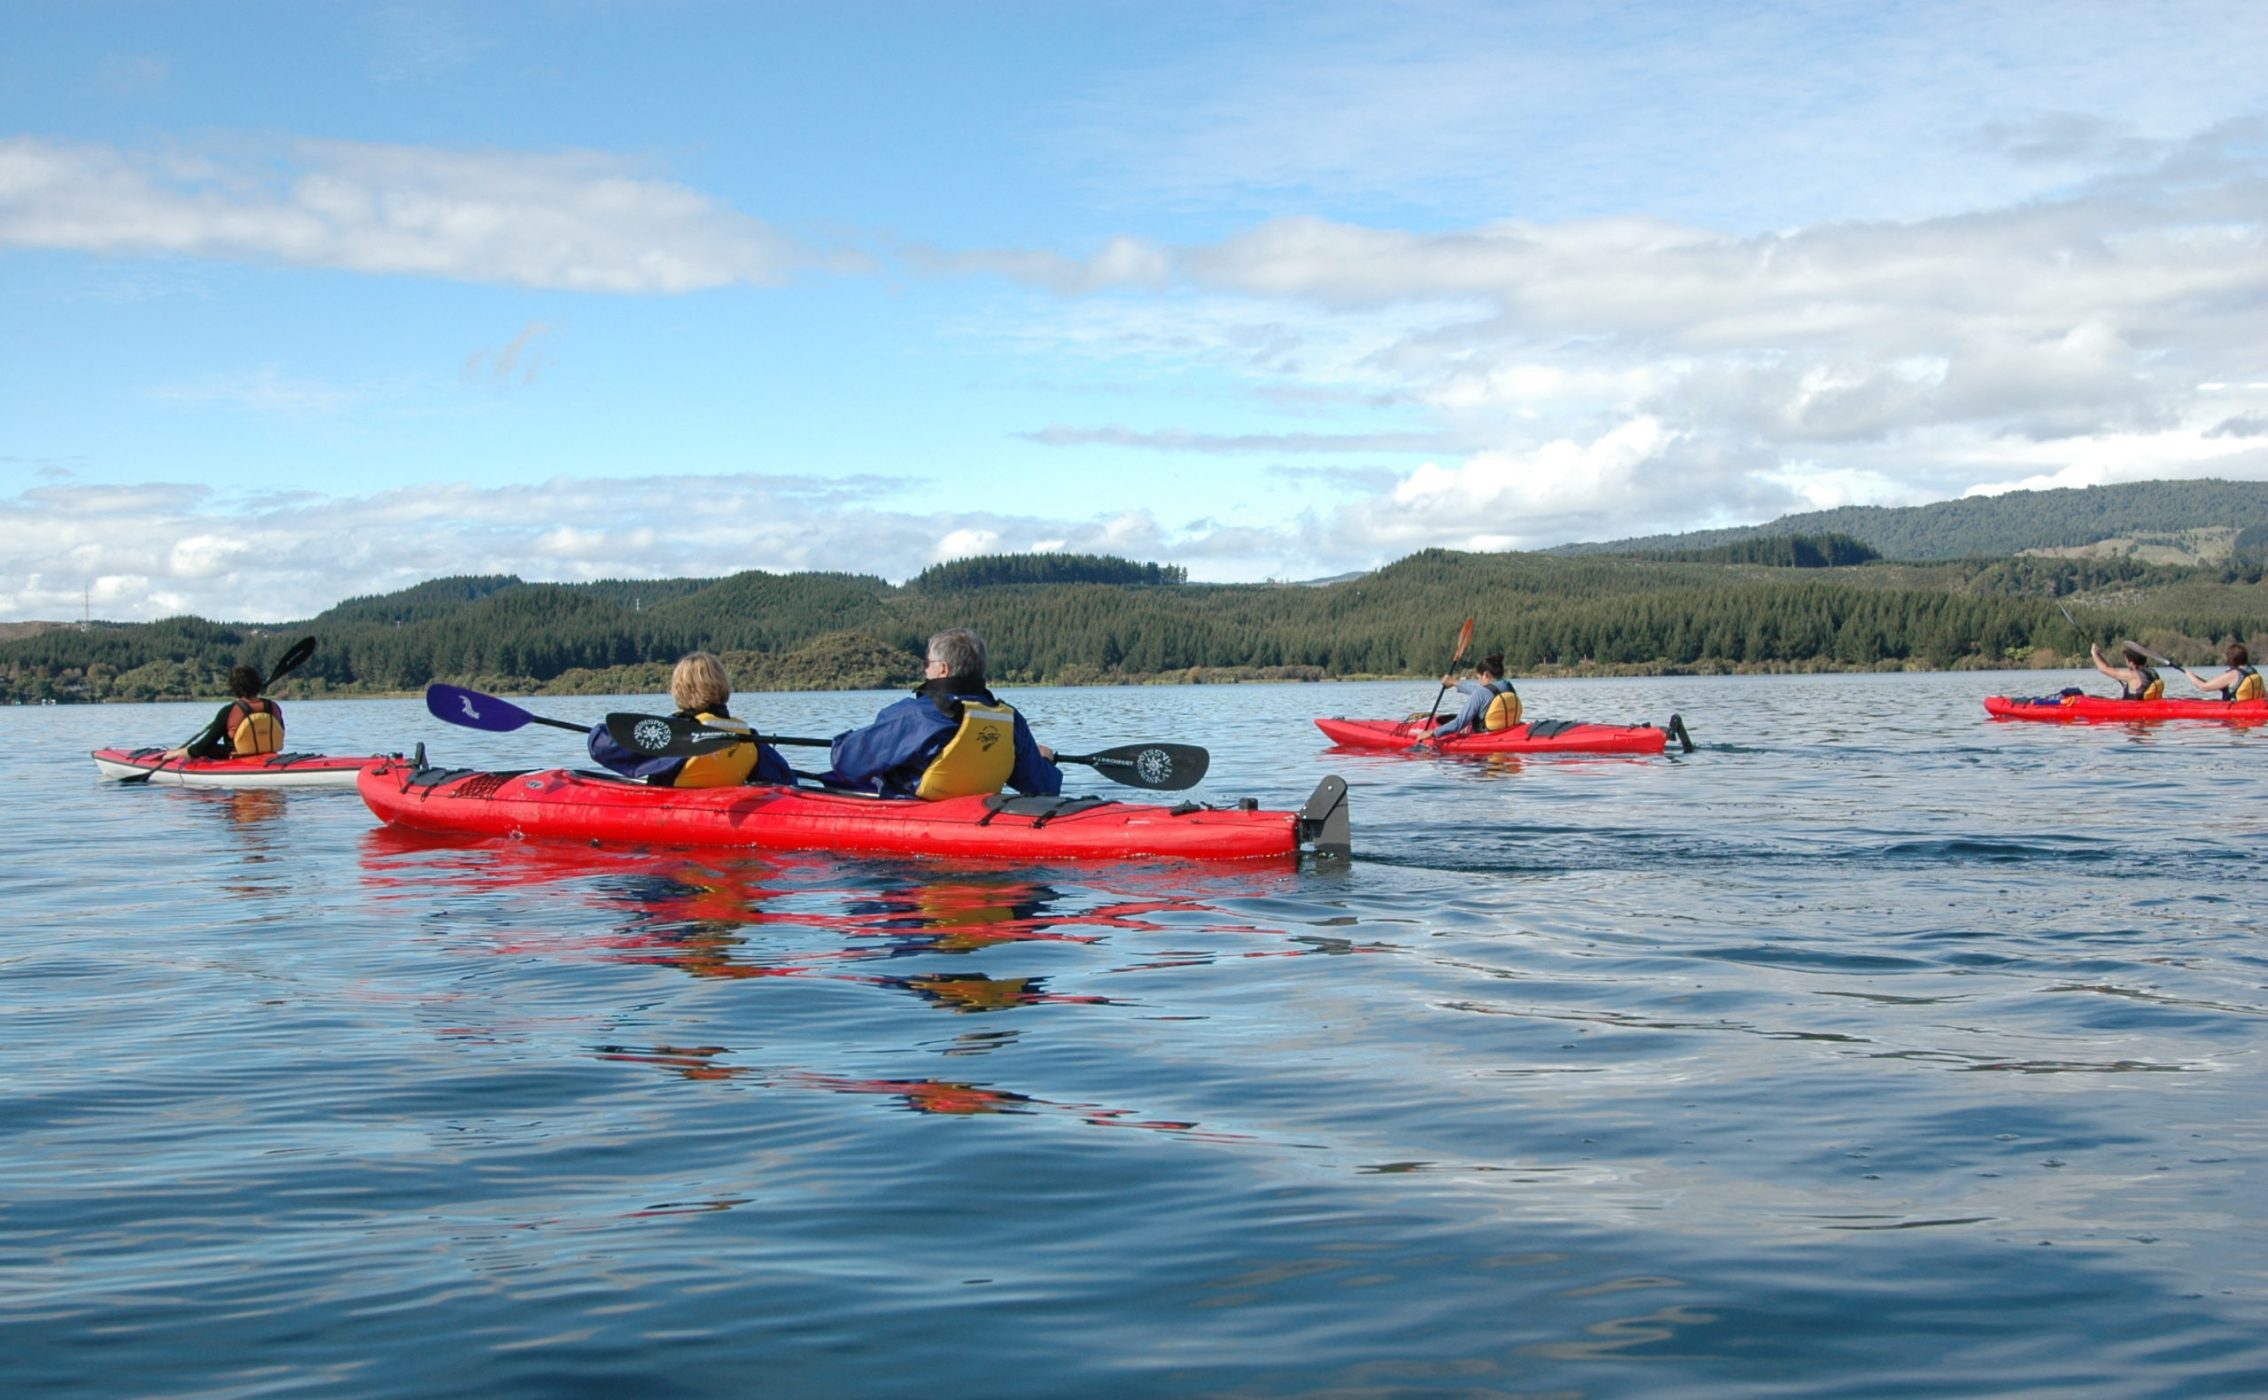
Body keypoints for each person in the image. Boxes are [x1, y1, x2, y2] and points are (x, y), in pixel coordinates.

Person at [825, 628, 1062, 799]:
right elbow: (1043, 787)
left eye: (927, 663)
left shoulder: (916, 716)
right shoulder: (1009, 719)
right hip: (976, 815)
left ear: (943, 669)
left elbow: (847, 762)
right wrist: (1043, 760)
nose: (925, 670)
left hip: (916, 819)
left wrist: (843, 742)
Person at [587, 651, 795, 788]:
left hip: (676, 817)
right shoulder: (749, 739)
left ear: (680, 689)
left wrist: (599, 731)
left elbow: (601, 747)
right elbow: (787, 780)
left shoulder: (677, 736)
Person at [164, 664, 282, 761]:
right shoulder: (273, 707)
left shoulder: (229, 711)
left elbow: (204, 746)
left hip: (238, 759)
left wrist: (178, 753)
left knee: (209, 749)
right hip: (270, 757)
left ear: (234, 688)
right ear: (257, 683)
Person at [1427, 653, 1520, 739]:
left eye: (1478, 678)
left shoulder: (1481, 693)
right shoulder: (1508, 686)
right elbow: (1482, 691)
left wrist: (1432, 733)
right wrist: (1454, 682)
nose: (1479, 682)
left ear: (1485, 674)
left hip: (1484, 737)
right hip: (1506, 731)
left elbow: (1459, 723)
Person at [2179, 642, 2265, 702]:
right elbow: (2265, 694)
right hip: (2253, 707)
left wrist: (2190, 675)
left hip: (2235, 711)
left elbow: (2204, 687)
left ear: (2231, 659)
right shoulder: (2253, 671)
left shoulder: (2232, 674)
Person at [2090, 643, 2163, 701]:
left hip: (2134, 709)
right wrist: (2099, 656)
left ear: (2131, 663)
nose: (2126, 663)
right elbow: (2109, 668)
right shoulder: (2153, 672)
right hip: (2147, 706)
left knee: (2092, 697)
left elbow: (2104, 669)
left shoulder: (2133, 675)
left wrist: (2094, 653)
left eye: (2126, 660)